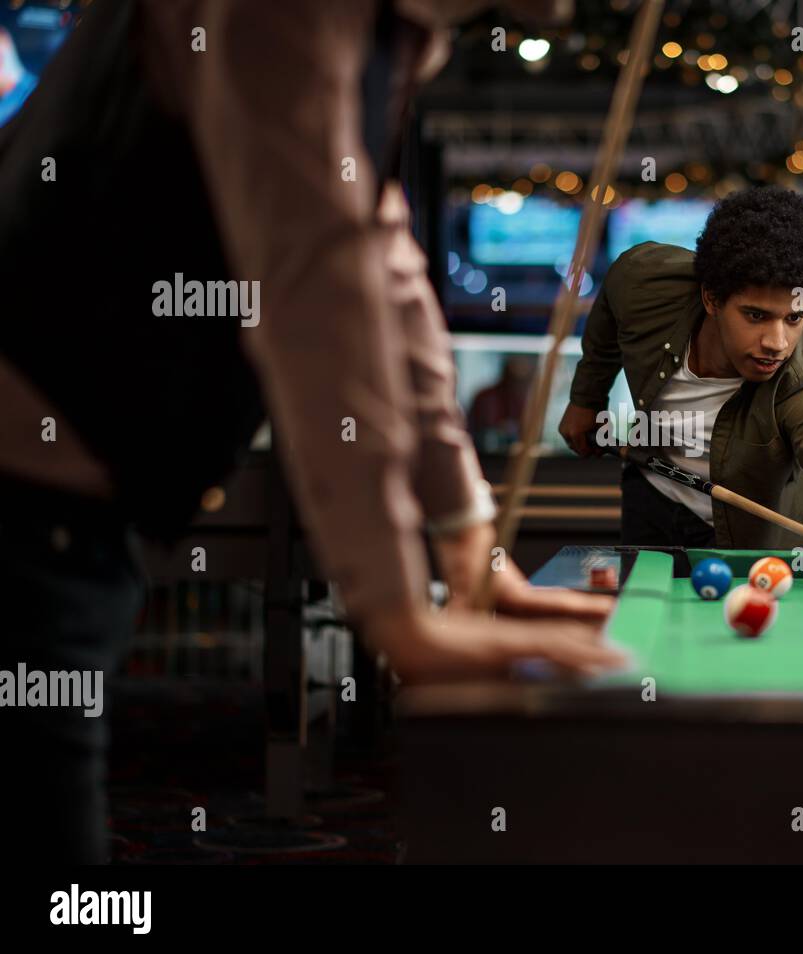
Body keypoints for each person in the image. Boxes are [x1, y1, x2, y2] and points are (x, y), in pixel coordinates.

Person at [0, 0, 619, 864]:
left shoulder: (390, 31)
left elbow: (385, 274)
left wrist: (472, 550)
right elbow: (317, 283)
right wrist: (400, 614)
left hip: (66, 507)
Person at [559, 186, 803, 592]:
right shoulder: (645, 282)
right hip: (652, 491)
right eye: (756, 315)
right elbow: (609, 314)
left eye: (794, 318)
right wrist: (586, 398)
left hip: (749, 538)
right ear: (712, 299)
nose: (776, 342)